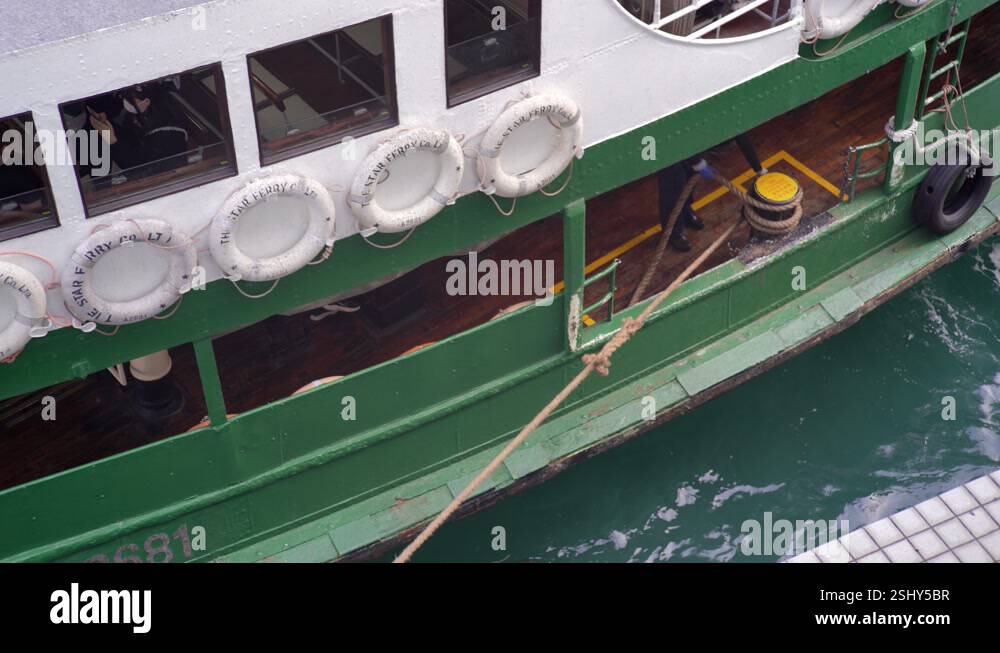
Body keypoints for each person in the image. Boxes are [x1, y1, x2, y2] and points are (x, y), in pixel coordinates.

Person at [657, 132, 765, 252]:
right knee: (673, 192)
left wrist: (758, 169)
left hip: (692, 144)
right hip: (671, 147)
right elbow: (681, 136)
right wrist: (697, 163)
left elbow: (741, 136)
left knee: (688, 185)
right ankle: (673, 234)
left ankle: (687, 215)